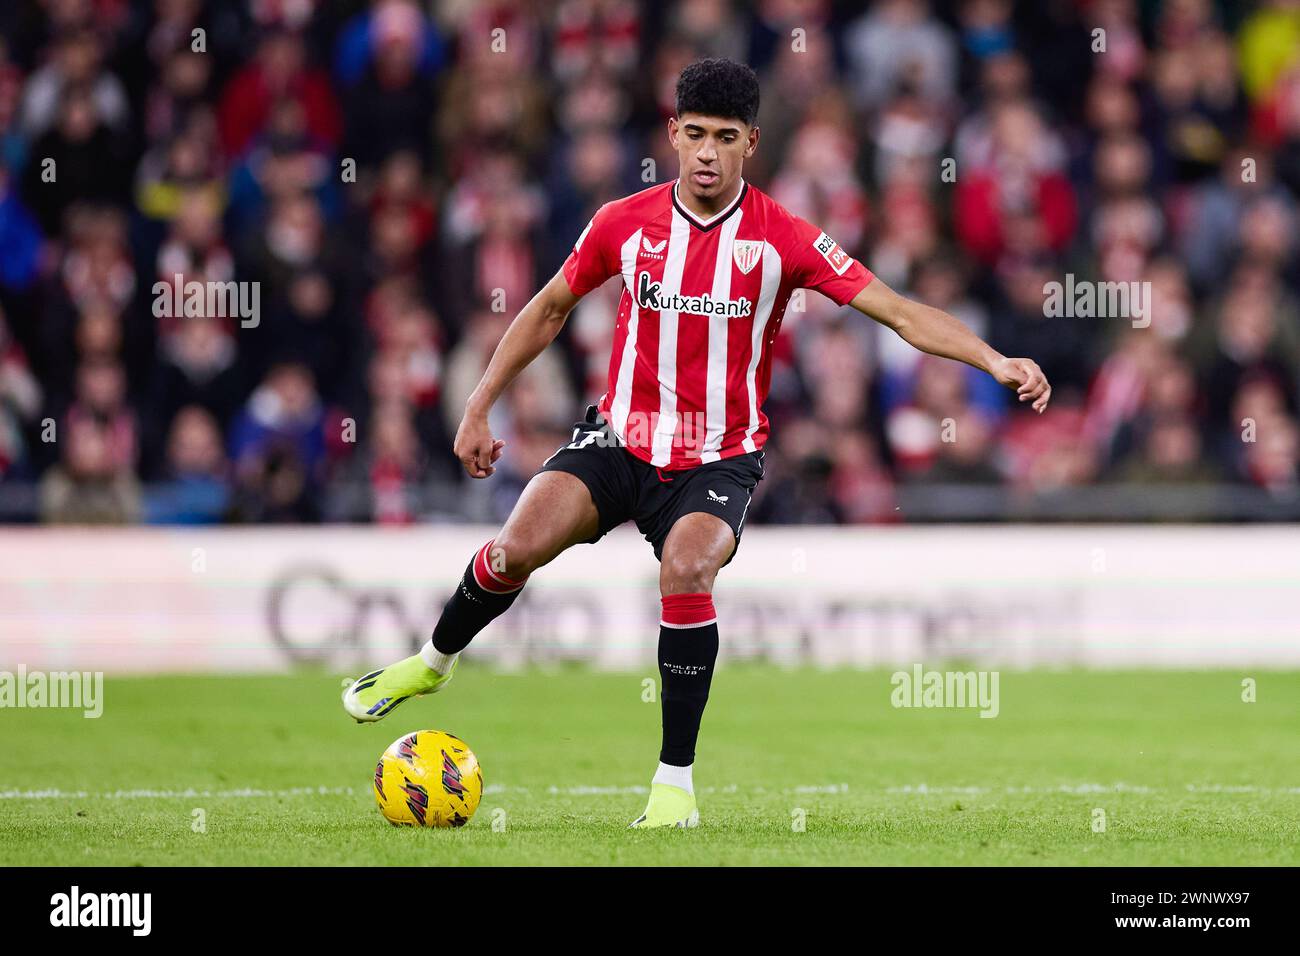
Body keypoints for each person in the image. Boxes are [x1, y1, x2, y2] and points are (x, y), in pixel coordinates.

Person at [342, 58, 1051, 828]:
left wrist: (993, 359)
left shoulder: (785, 238)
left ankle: (673, 786)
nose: (708, 153)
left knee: (687, 567)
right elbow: (547, 308)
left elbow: (900, 311)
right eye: (695, 135)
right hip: (617, 439)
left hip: (719, 453)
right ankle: (431, 664)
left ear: (751, 142)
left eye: (725, 138)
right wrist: (479, 407)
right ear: (673, 134)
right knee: (515, 548)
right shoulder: (623, 222)